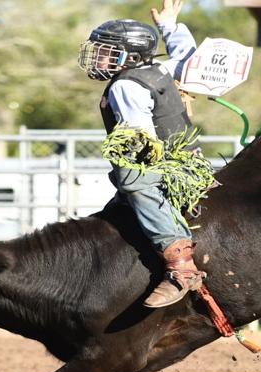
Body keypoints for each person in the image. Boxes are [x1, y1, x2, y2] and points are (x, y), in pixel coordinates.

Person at [78, 0, 206, 307]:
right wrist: (171, 26)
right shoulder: (158, 69)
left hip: (170, 172)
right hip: (188, 164)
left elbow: (141, 139)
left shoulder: (125, 87)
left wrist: (128, 164)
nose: (100, 57)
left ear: (131, 56)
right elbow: (187, 58)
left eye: (108, 51)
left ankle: (180, 267)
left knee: (132, 178)